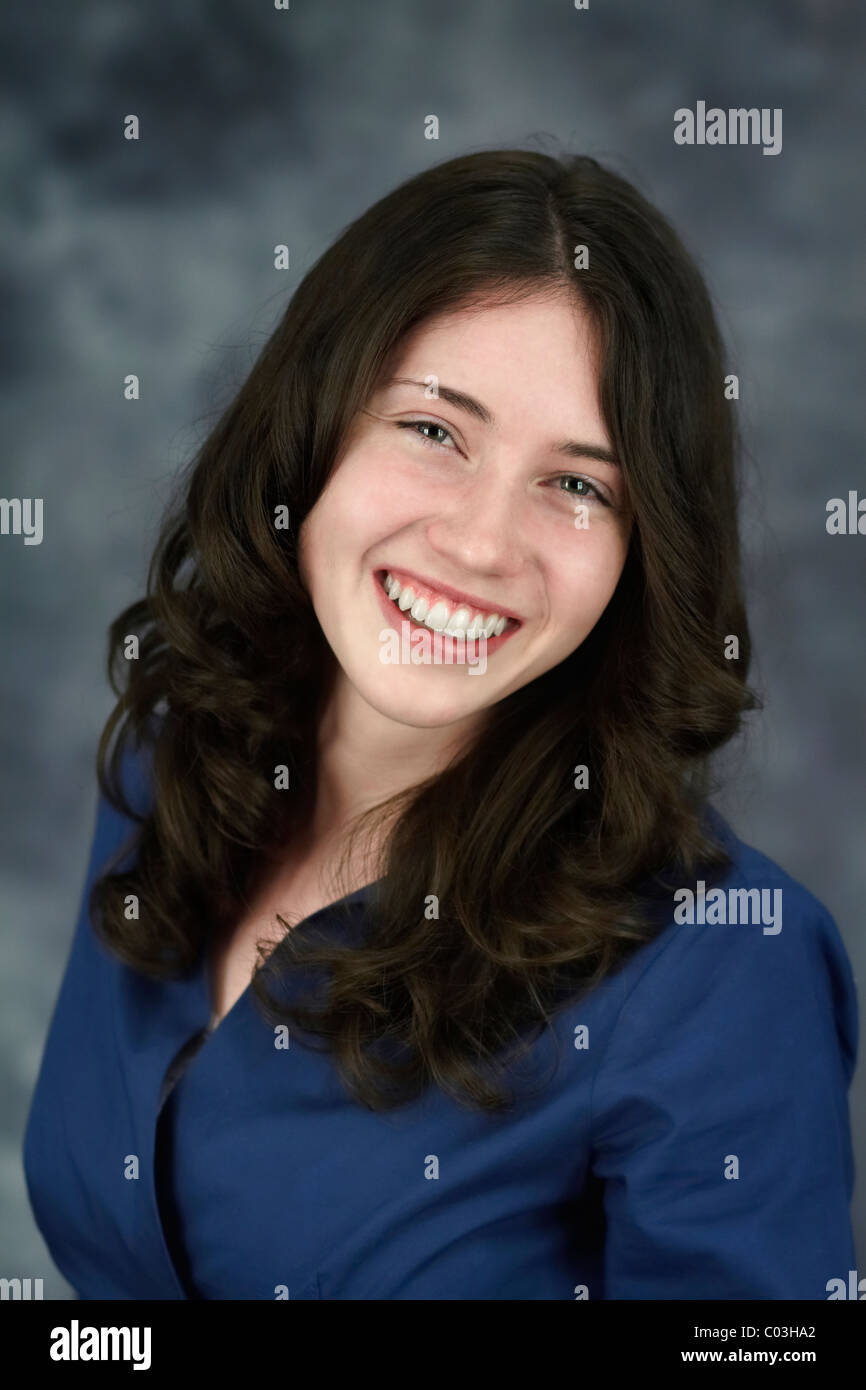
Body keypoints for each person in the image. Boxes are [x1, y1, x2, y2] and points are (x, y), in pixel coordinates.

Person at [23, 148, 857, 1300]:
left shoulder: (721, 968)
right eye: (432, 430)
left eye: (576, 485)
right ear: (311, 428)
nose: (477, 542)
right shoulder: (177, 755)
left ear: (638, 552)